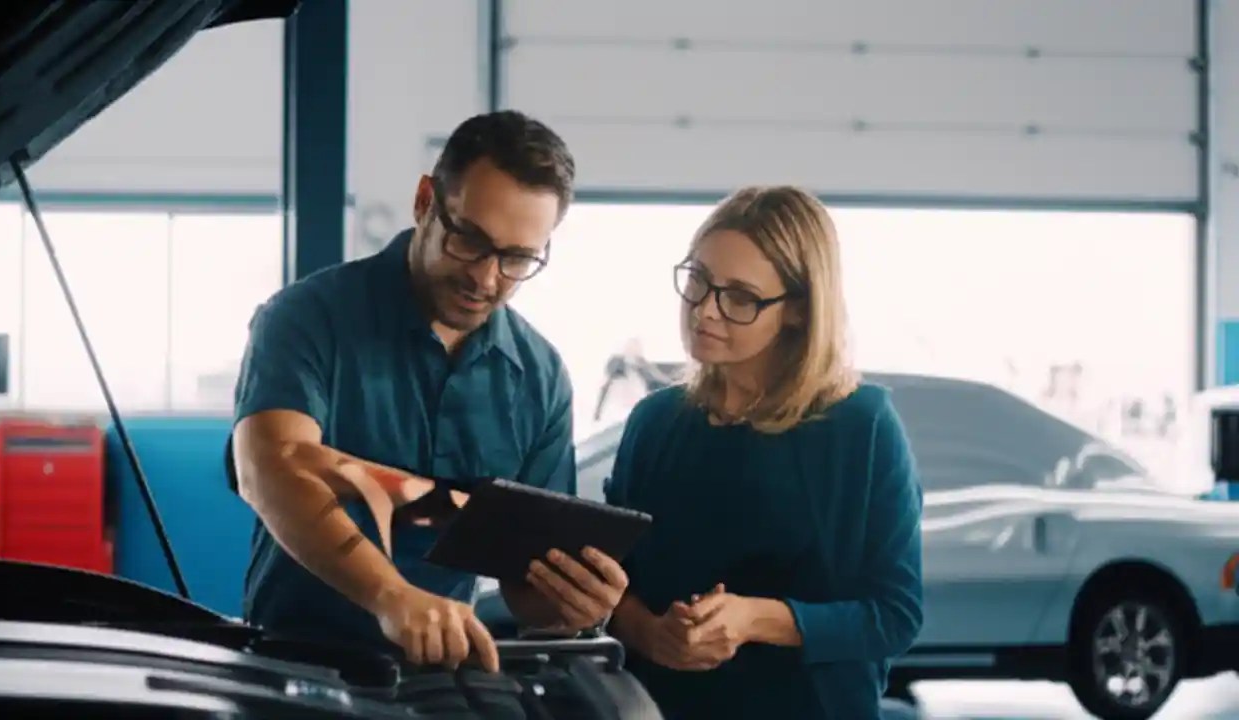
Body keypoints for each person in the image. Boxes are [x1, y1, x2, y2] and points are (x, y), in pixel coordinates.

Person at [230, 110, 629, 673]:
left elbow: (526, 587)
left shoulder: (539, 377)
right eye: (469, 240)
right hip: (295, 666)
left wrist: (576, 604)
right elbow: (268, 470)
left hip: (440, 679)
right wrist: (391, 595)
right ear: (425, 201)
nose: (486, 279)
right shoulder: (305, 318)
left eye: (517, 258)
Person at [603, 186, 924, 718]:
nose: (705, 310)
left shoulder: (861, 428)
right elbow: (613, 584)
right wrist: (651, 633)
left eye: (741, 297)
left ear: (798, 311)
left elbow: (894, 616)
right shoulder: (655, 421)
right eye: (698, 280)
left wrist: (754, 618)